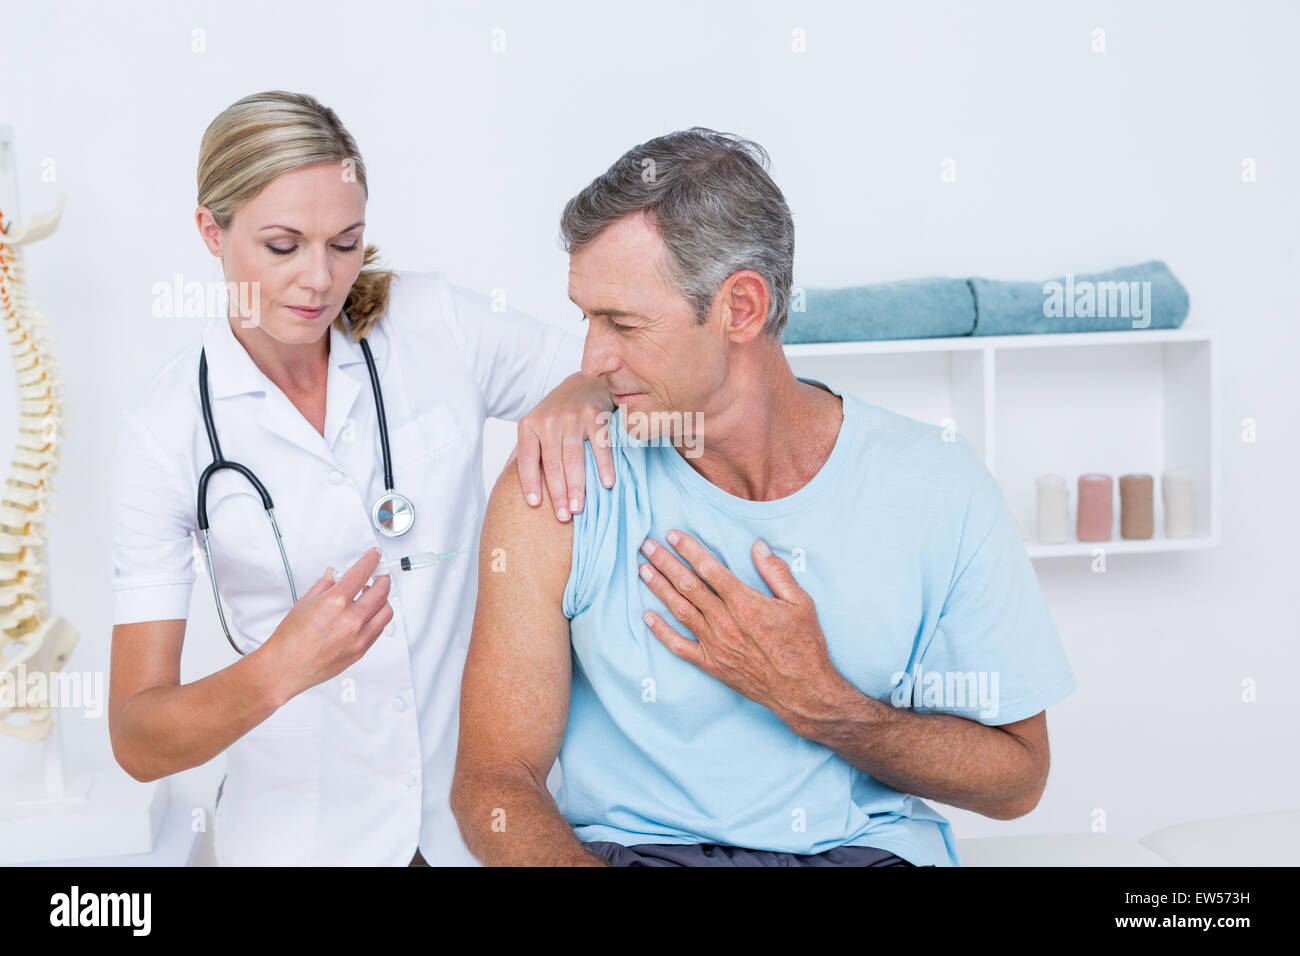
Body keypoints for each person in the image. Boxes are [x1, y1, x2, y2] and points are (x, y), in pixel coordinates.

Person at [450, 128, 1078, 867]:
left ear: (741, 308)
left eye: (622, 323)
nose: (592, 359)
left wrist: (824, 705)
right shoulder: (560, 482)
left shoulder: (937, 485)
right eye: (585, 317)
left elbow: (1018, 780)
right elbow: (491, 784)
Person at [107, 91, 614, 866]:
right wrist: (278, 668)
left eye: (344, 243)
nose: (320, 280)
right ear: (212, 230)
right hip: (300, 843)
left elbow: (624, 373)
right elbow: (138, 737)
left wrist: (580, 390)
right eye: (283, 246)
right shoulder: (165, 432)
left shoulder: (433, 323)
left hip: (473, 831)